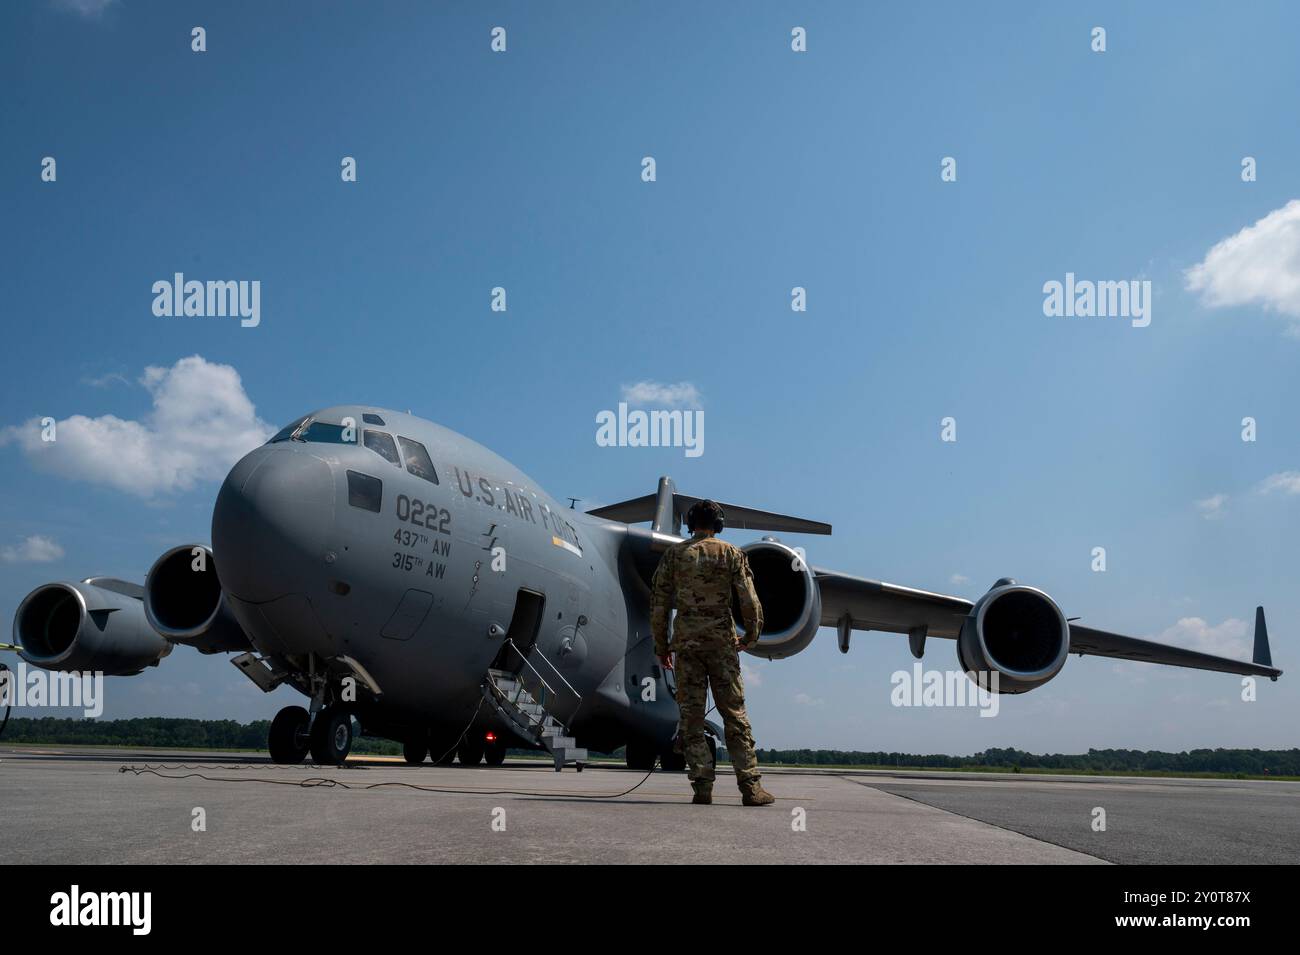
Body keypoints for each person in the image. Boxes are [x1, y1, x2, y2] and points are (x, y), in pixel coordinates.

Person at [650, 499, 775, 806]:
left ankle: (702, 786)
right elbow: (748, 599)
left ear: (691, 524)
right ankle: (750, 787)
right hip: (722, 645)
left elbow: (659, 605)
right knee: (734, 714)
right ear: (718, 524)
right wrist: (752, 634)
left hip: (687, 647)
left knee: (691, 718)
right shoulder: (732, 554)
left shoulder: (675, 555)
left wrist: (662, 646)